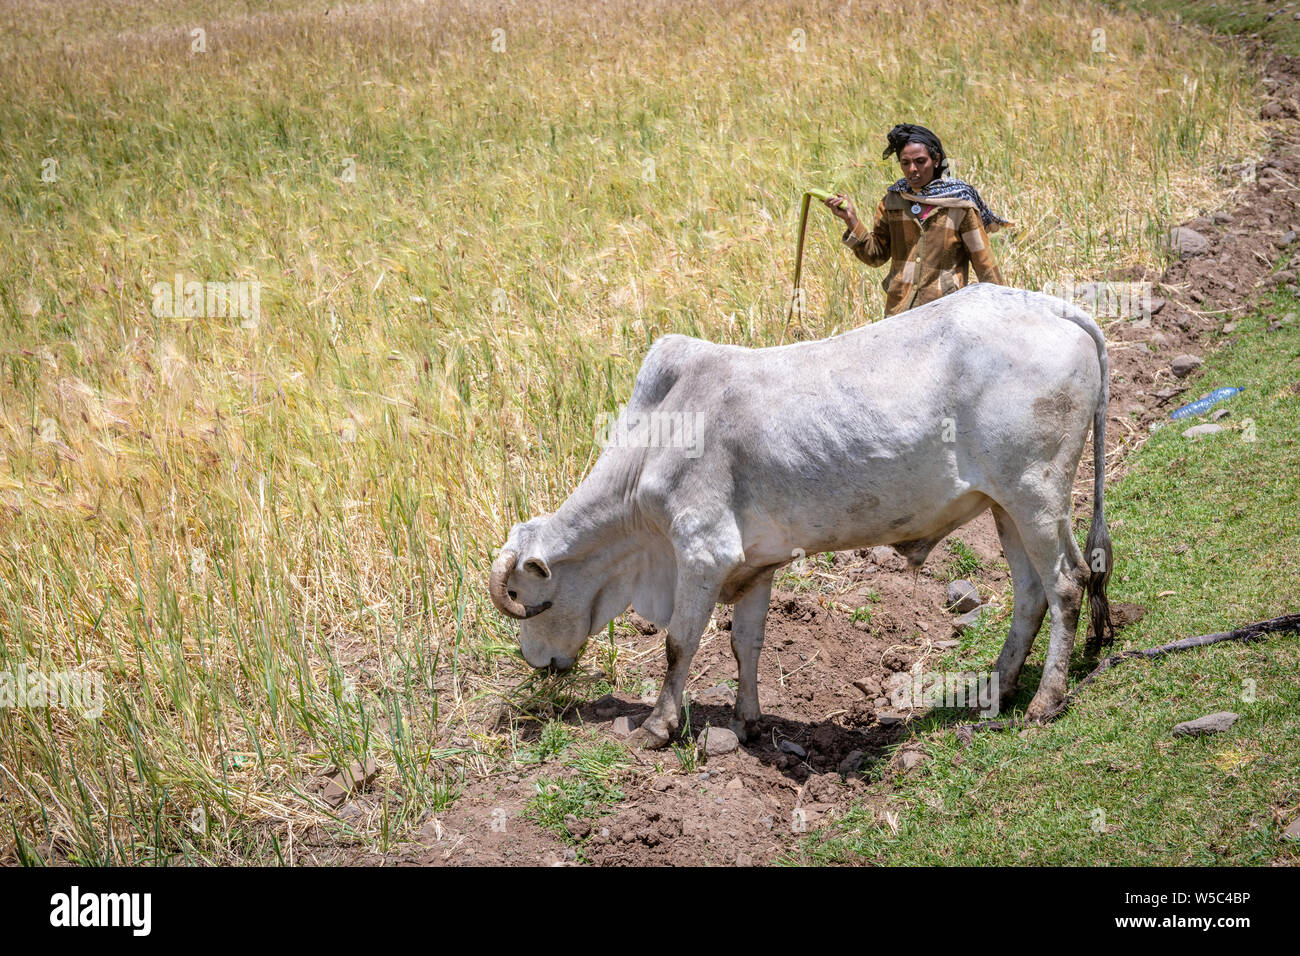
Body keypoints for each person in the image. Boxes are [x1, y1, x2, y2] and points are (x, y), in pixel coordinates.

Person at [826, 124, 1013, 317]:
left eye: (920, 161)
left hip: (944, 312)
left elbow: (983, 262)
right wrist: (852, 221)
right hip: (899, 311)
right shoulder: (893, 201)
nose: (912, 169)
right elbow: (876, 256)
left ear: (936, 159)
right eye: (905, 163)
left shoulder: (960, 204)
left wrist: (1002, 311)